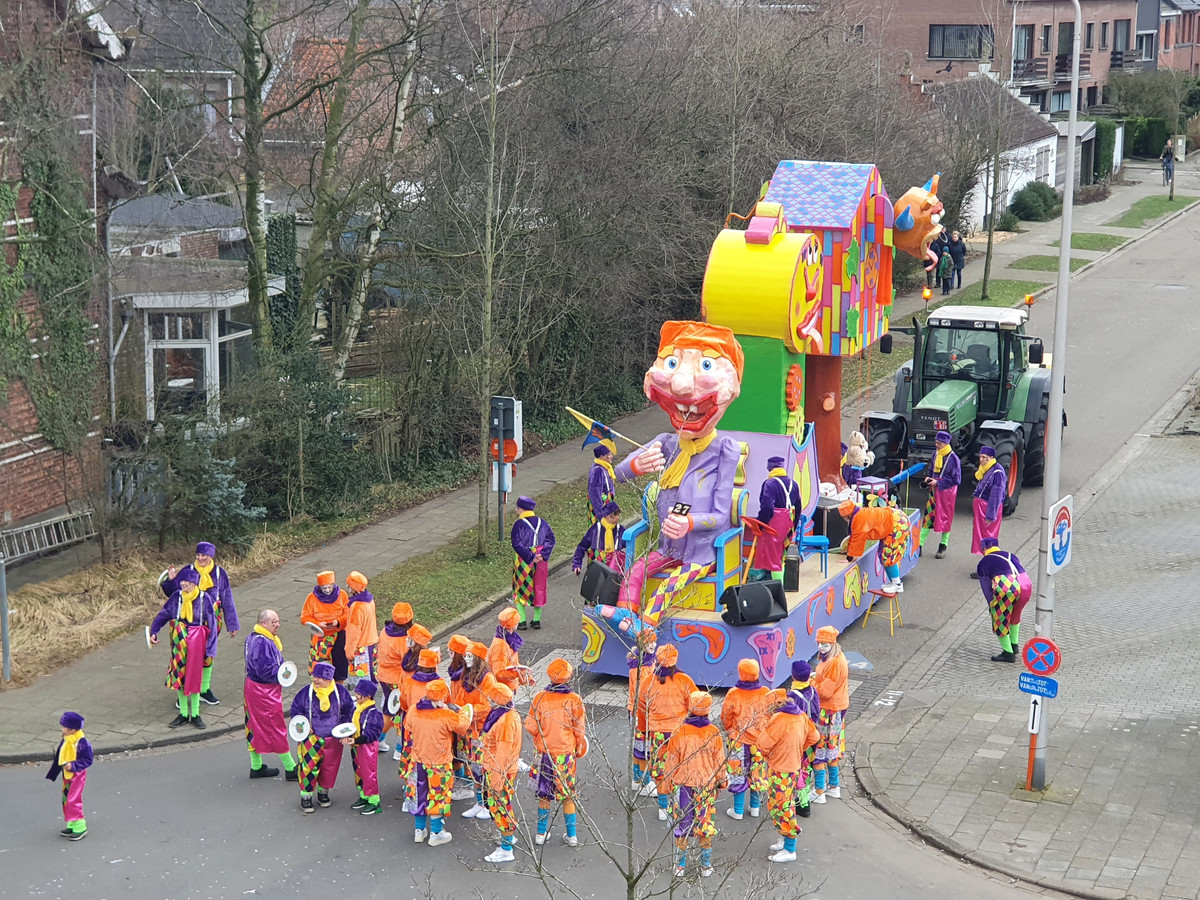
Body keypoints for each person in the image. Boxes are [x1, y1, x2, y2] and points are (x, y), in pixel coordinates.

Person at [614, 321, 744, 626]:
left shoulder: (724, 449)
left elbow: (720, 516)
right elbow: (618, 475)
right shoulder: (667, 443)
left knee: (665, 590)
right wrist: (635, 465)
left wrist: (689, 523)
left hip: (701, 554)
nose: (683, 388)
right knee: (634, 571)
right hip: (669, 547)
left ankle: (644, 628)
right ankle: (623, 617)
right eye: (673, 363)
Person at [160, 541, 239, 707]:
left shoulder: (219, 573)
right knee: (185, 657)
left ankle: (204, 689)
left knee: (207, 655)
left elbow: (227, 599)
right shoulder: (187, 571)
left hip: (211, 621)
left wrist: (232, 624)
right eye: (198, 555)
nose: (200, 558)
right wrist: (171, 580)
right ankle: (182, 692)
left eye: (204, 556)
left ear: (211, 556)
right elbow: (173, 594)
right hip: (187, 623)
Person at [659, 691, 726, 879]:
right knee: (705, 825)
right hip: (705, 786)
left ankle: (680, 865)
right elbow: (720, 761)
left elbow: (671, 760)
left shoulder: (680, 731)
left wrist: (666, 786)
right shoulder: (713, 732)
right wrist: (721, 782)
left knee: (682, 825)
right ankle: (705, 865)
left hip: (684, 786)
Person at [524, 658, 588, 848]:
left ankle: (541, 833)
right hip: (565, 754)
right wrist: (577, 746)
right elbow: (579, 729)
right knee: (568, 794)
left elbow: (530, 726)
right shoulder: (574, 700)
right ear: (569, 676)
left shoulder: (540, 698)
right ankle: (572, 835)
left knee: (544, 793)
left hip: (544, 753)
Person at [405, 678, 473, 846]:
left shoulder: (414, 710)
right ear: (443, 697)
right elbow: (463, 726)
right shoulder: (446, 714)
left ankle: (419, 831)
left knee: (418, 795)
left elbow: (408, 726)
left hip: (417, 760)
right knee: (439, 796)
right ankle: (436, 833)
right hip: (439, 763)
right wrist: (464, 710)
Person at [755, 686, 820, 863]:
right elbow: (814, 737)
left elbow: (763, 743)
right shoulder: (800, 715)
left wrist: (770, 755)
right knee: (786, 803)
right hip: (793, 766)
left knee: (780, 807)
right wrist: (798, 749)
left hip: (780, 768)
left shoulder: (779, 720)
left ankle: (790, 847)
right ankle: (785, 839)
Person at [149, 568, 217, 729]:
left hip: (197, 640)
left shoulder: (204, 599)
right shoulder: (176, 597)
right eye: (181, 582)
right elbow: (164, 614)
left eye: (186, 582)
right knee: (178, 676)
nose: (183, 584)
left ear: (194, 583)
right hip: (178, 639)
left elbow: (212, 624)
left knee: (194, 677)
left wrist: (211, 647)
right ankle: (184, 713)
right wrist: (154, 631)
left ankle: (196, 714)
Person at [641, 643, 698, 819]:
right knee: (679, 766)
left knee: (660, 768)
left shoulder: (648, 681)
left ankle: (663, 807)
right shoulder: (684, 680)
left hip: (657, 733)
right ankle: (677, 803)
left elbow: (642, 707)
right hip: (678, 732)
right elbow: (695, 705)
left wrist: (644, 730)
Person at [289, 661, 354, 814]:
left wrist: (343, 727)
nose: (315, 680)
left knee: (329, 768)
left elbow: (348, 710)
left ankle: (323, 793)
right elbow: (296, 710)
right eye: (314, 676)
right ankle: (306, 796)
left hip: (334, 739)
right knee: (308, 768)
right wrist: (304, 724)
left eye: (320, 677)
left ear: (329, 679)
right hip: (312, 739)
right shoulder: (306, 692)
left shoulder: (340, 692)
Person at [243, 609, 299, 781]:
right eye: (274, 622)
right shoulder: (262, 643)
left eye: (278, 621)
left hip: (253, 688)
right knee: (275, 725)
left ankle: (256, 766)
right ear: (263, 623)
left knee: (252, 724)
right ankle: (290, 768)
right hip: (264, 691)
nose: (278, 625)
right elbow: (265, 671)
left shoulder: (254, 637)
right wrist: (282, 676)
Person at [721, 658, 772, 821]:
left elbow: (726, 717)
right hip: (759, 741)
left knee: (738, 773)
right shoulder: (765, 692)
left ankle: (738, 810)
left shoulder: (734, 693)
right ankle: (755, 807)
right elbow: (770, 714)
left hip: (738, 740)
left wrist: (729, 729)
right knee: (757, 773)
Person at [480, 679, 522, 864]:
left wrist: (496, 779)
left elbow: (502, 753)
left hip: (499, 770)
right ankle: (508, 838)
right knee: (503, 804)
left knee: (500, 807)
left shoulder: (504, 722)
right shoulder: (507, 714)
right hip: (501, 768)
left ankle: (506, 848)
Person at [454, 640, 495, 818]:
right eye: (465, 655)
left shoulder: (488, 679)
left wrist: (467, 711)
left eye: (470, 656)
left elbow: (486, 706)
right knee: (473, 768)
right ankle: (479, 803)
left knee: (483, 769)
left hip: (481, 731)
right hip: (469, 730)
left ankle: (488, 805)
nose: (466, 658)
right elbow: (461, 700)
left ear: (478, 658)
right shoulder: (467, 676)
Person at [976, 537, 1033, 663]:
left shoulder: (983, 563)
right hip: (1025, 584)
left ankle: (1008, 653)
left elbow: (987, 590)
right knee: (1015, 615)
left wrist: (992, 606)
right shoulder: (1010, 555)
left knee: (1000, 618)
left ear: (984, 548)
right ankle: (1014, 645)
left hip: (1007, 586)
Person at [809, 626, 848, 806]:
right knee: (832, 750)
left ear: (831, 643)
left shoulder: (833, 663)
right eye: (818, 643)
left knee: (819, 751)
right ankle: (834, 787)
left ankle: (819, 791)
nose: (820, 647)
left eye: (823, 644)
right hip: (837, 711)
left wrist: (811, 682)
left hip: (827, 711)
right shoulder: (838, 658)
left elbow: (825, 691)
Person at [747, 456, 802, 581]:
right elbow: (798, 507)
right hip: (788, 524)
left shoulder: (769, 484)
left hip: (773, 525)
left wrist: (760, 524)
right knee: (780, 556)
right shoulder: (794, 484)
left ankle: (778, 591)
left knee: (772, 560)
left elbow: (767, 508)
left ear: (769, 469)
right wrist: (794, 527)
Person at [840, 499, 912, 593]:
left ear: (847, 515)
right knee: (884, 554)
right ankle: (894, 582)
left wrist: (849, 558)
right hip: (896, 517)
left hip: (896, 524)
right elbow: (854, 536)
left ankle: (897, 584)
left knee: (888, 556)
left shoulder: (859, 519)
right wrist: (848, 549)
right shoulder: (860, 513)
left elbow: (857, 539)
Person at [511, 496, 556, 630]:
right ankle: (536, 620)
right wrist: (543, 554)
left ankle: (522, 621)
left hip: (523, 561)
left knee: (520, 588)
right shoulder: (543, 522)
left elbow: (516, 543)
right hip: (541, 560)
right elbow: (551, 539)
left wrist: (530, 556)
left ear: (520, 509)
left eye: (517, 509)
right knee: (539, 586)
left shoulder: (518, 525)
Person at [376, 603, 413, 761]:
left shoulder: (385, 630)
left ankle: (379, 739)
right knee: (399, 712)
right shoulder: (404, 640)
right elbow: (407, 662)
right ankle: (400, 747)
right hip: (398, 679)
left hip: (384, 676)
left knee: (388, 709)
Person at [47, 711, 92, 840]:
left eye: (64, 727)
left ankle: (80, 826)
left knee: (73, 799)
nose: (62, 729)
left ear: (72, 729)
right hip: (67, 774)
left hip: (77, 774)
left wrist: (72, 766)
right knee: (67, 799)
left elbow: (87, 760)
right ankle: (72, 823)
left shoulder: (82, 742)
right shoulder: (67, 739)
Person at [787, 660, 821, 819]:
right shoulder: (813, 691)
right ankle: (804, 800)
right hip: (812, 737)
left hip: (798, 739)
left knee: (797, 770)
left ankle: (802, 803)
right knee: (806, 769)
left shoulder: (792, 696)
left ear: (793, 676)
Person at [300, 571, 349, 680]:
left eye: (329, 587)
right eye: (324, 588)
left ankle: (338, 687)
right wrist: (318, 624)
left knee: (339, 664)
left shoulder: (342, 595)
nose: (327, 590)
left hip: (338, 636)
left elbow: (348, 614)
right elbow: (304, 618)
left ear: (333, 585)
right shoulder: (311, 598)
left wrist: (339, 621)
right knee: (320, 667)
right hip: (320, 637)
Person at [920, 430, 961, 559]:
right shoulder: (935, 454)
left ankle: (943, 545)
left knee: (945, 518)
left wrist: (938, 482)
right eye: (936, 443)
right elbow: (932, 469)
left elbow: (956, 480)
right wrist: (929, 479)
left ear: (945, 444)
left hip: (947, 493)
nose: (936, 445)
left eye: (939, 443)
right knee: (927, 517)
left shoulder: (953, 459)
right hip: (934, 491)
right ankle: (919, 545)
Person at [627, 628, 658, 794]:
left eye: (654, 641)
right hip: (641, 711)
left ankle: (637, 779)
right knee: (644, 748)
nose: (653, 645)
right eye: (649, 642)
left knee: (639, 746)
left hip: (640, 710)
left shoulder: (648, 661)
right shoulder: (640, 668)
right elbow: (644, 692)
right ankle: (645, 783)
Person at [348, 679, 385, 815]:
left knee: (369, 773)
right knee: (359, 771)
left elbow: (372, 734)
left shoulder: (374, 714)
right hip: (357, 745)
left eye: (359, 694)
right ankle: (364, 795)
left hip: (367, 747)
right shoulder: (357, 709)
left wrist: (356, 739)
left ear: (368, 696)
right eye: (356, 693)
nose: (356, 696)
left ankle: (374, 801)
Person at [970, 446, 1007, 568]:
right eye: (980, 457)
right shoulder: (985, 469)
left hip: (987, 508)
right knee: (981, 534)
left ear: (991, 458)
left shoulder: (997, 473)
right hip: (981, 507)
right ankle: (986, 561)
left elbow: (996, 495)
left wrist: (991, 515)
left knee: (988, 536)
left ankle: (990, 564)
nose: (981, 460)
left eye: (984, 457)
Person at [343, 571, 379, 687]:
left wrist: (349, 652)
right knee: (370, 677)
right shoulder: (369, 600)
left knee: (360, 682)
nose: (347, 588)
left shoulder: (356, 606)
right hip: (371, 644)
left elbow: (354, 632)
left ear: (354, 589)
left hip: (360, 648)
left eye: (349, 586)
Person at [572, 500, 626, 575]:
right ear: (606, 516)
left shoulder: (621, 530)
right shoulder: (595, 529)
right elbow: (582, 546)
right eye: (613, 516)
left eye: (618, 515)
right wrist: (577, 564)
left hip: (614, 570)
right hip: (596, 569)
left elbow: (631, 545)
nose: (617, 518)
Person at [488, 607, 533, 692]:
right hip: (502, 690)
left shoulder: (509, 639)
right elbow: (498, 673)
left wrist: (526, 677)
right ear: (514, 623)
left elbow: (514, 663)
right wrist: (517, 674)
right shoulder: (501, 645)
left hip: (508, 687)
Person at [587, 444, 618, 531]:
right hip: (602, 507)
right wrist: (601, 515)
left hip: (607, 505)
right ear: (602, 457)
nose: (611, 456)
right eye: (609, 454)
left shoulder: (605, 467)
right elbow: (595, 494)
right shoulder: (597, 471)